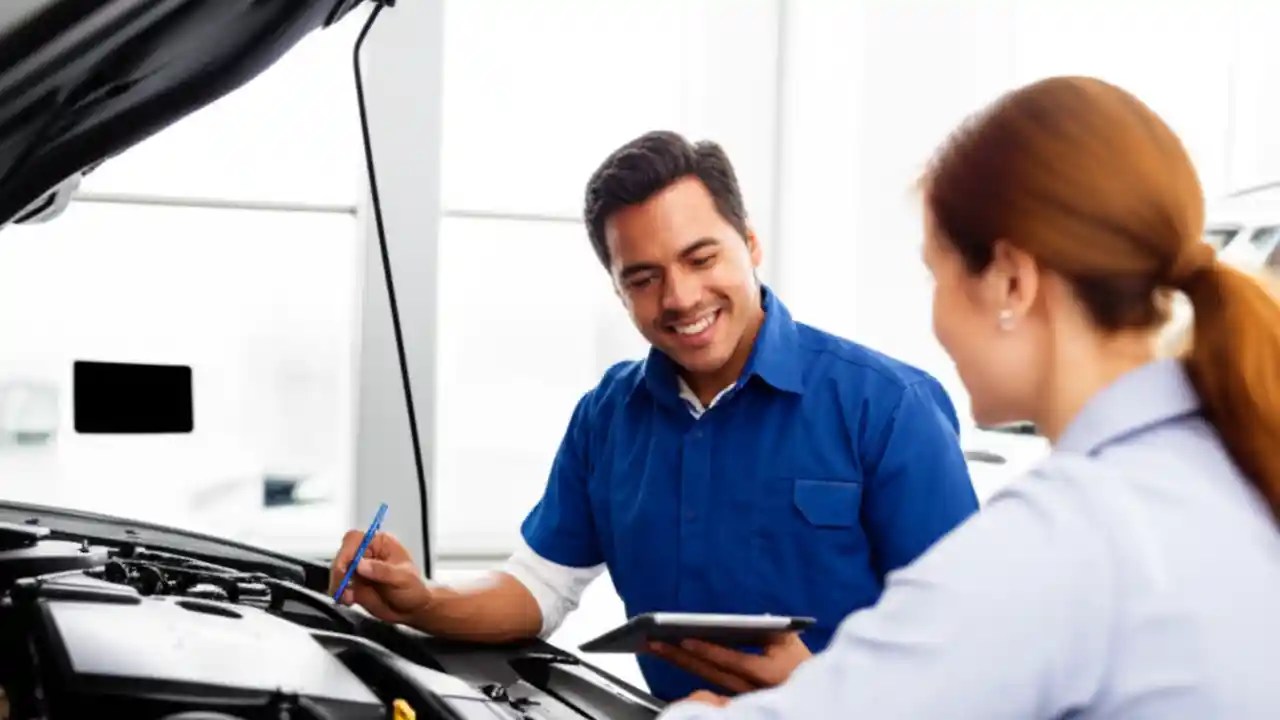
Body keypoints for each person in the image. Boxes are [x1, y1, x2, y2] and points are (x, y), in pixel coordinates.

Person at [655, 75, 1280, 719]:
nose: (935, 319)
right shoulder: (1230, 471)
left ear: (1011, 282)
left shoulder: (1064, 538)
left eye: (936, 274)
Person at [329, 130, 979, 702]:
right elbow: (537, 588)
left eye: (702, 259)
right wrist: (422, 600)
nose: (681, 297)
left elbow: (973, 653)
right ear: (618, 290)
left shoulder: (889, 407)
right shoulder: (607, 417)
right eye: (643, 278)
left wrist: (819, 697)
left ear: (751, 244)